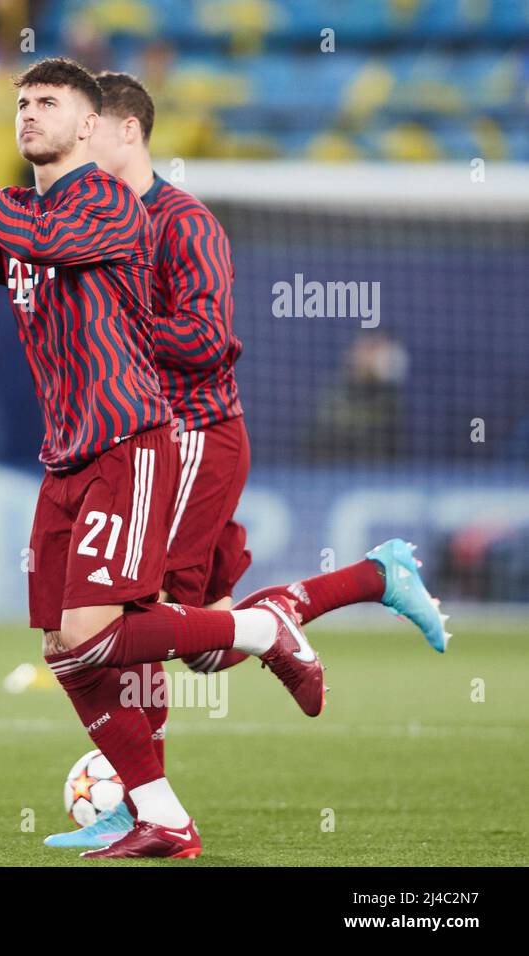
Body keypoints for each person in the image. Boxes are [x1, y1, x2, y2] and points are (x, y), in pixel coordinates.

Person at [0, 57, 324, 860]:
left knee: (96, 635)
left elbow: (33, 235)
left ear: (91, 127)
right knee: (65, 649)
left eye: (47, 102)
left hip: (129, 442)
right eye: (21, 102)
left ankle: (262, 628)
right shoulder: (22, 211)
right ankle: (162, 817)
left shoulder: (106, 204)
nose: (27, 114)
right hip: (65, 457)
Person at [38, 71, 449, 852]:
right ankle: (371, 577)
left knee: (137, 622)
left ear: (124, 131)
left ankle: (150, 802)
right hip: (141, 444)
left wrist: (117, 327)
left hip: (191, 436)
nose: (76, 142)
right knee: (184, 638)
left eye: (88, 128)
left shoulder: (180, 222)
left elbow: (207, 340)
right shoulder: (86, 221)